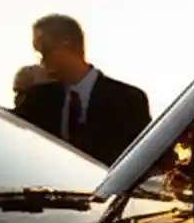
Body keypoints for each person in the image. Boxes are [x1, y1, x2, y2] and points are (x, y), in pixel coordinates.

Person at [13, 14, 151, 166]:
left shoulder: (128, 100)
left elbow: (143, 160)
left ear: (66, 44)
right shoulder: (39, 99)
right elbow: (7, 126)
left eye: (45, 51)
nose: (41, 60)